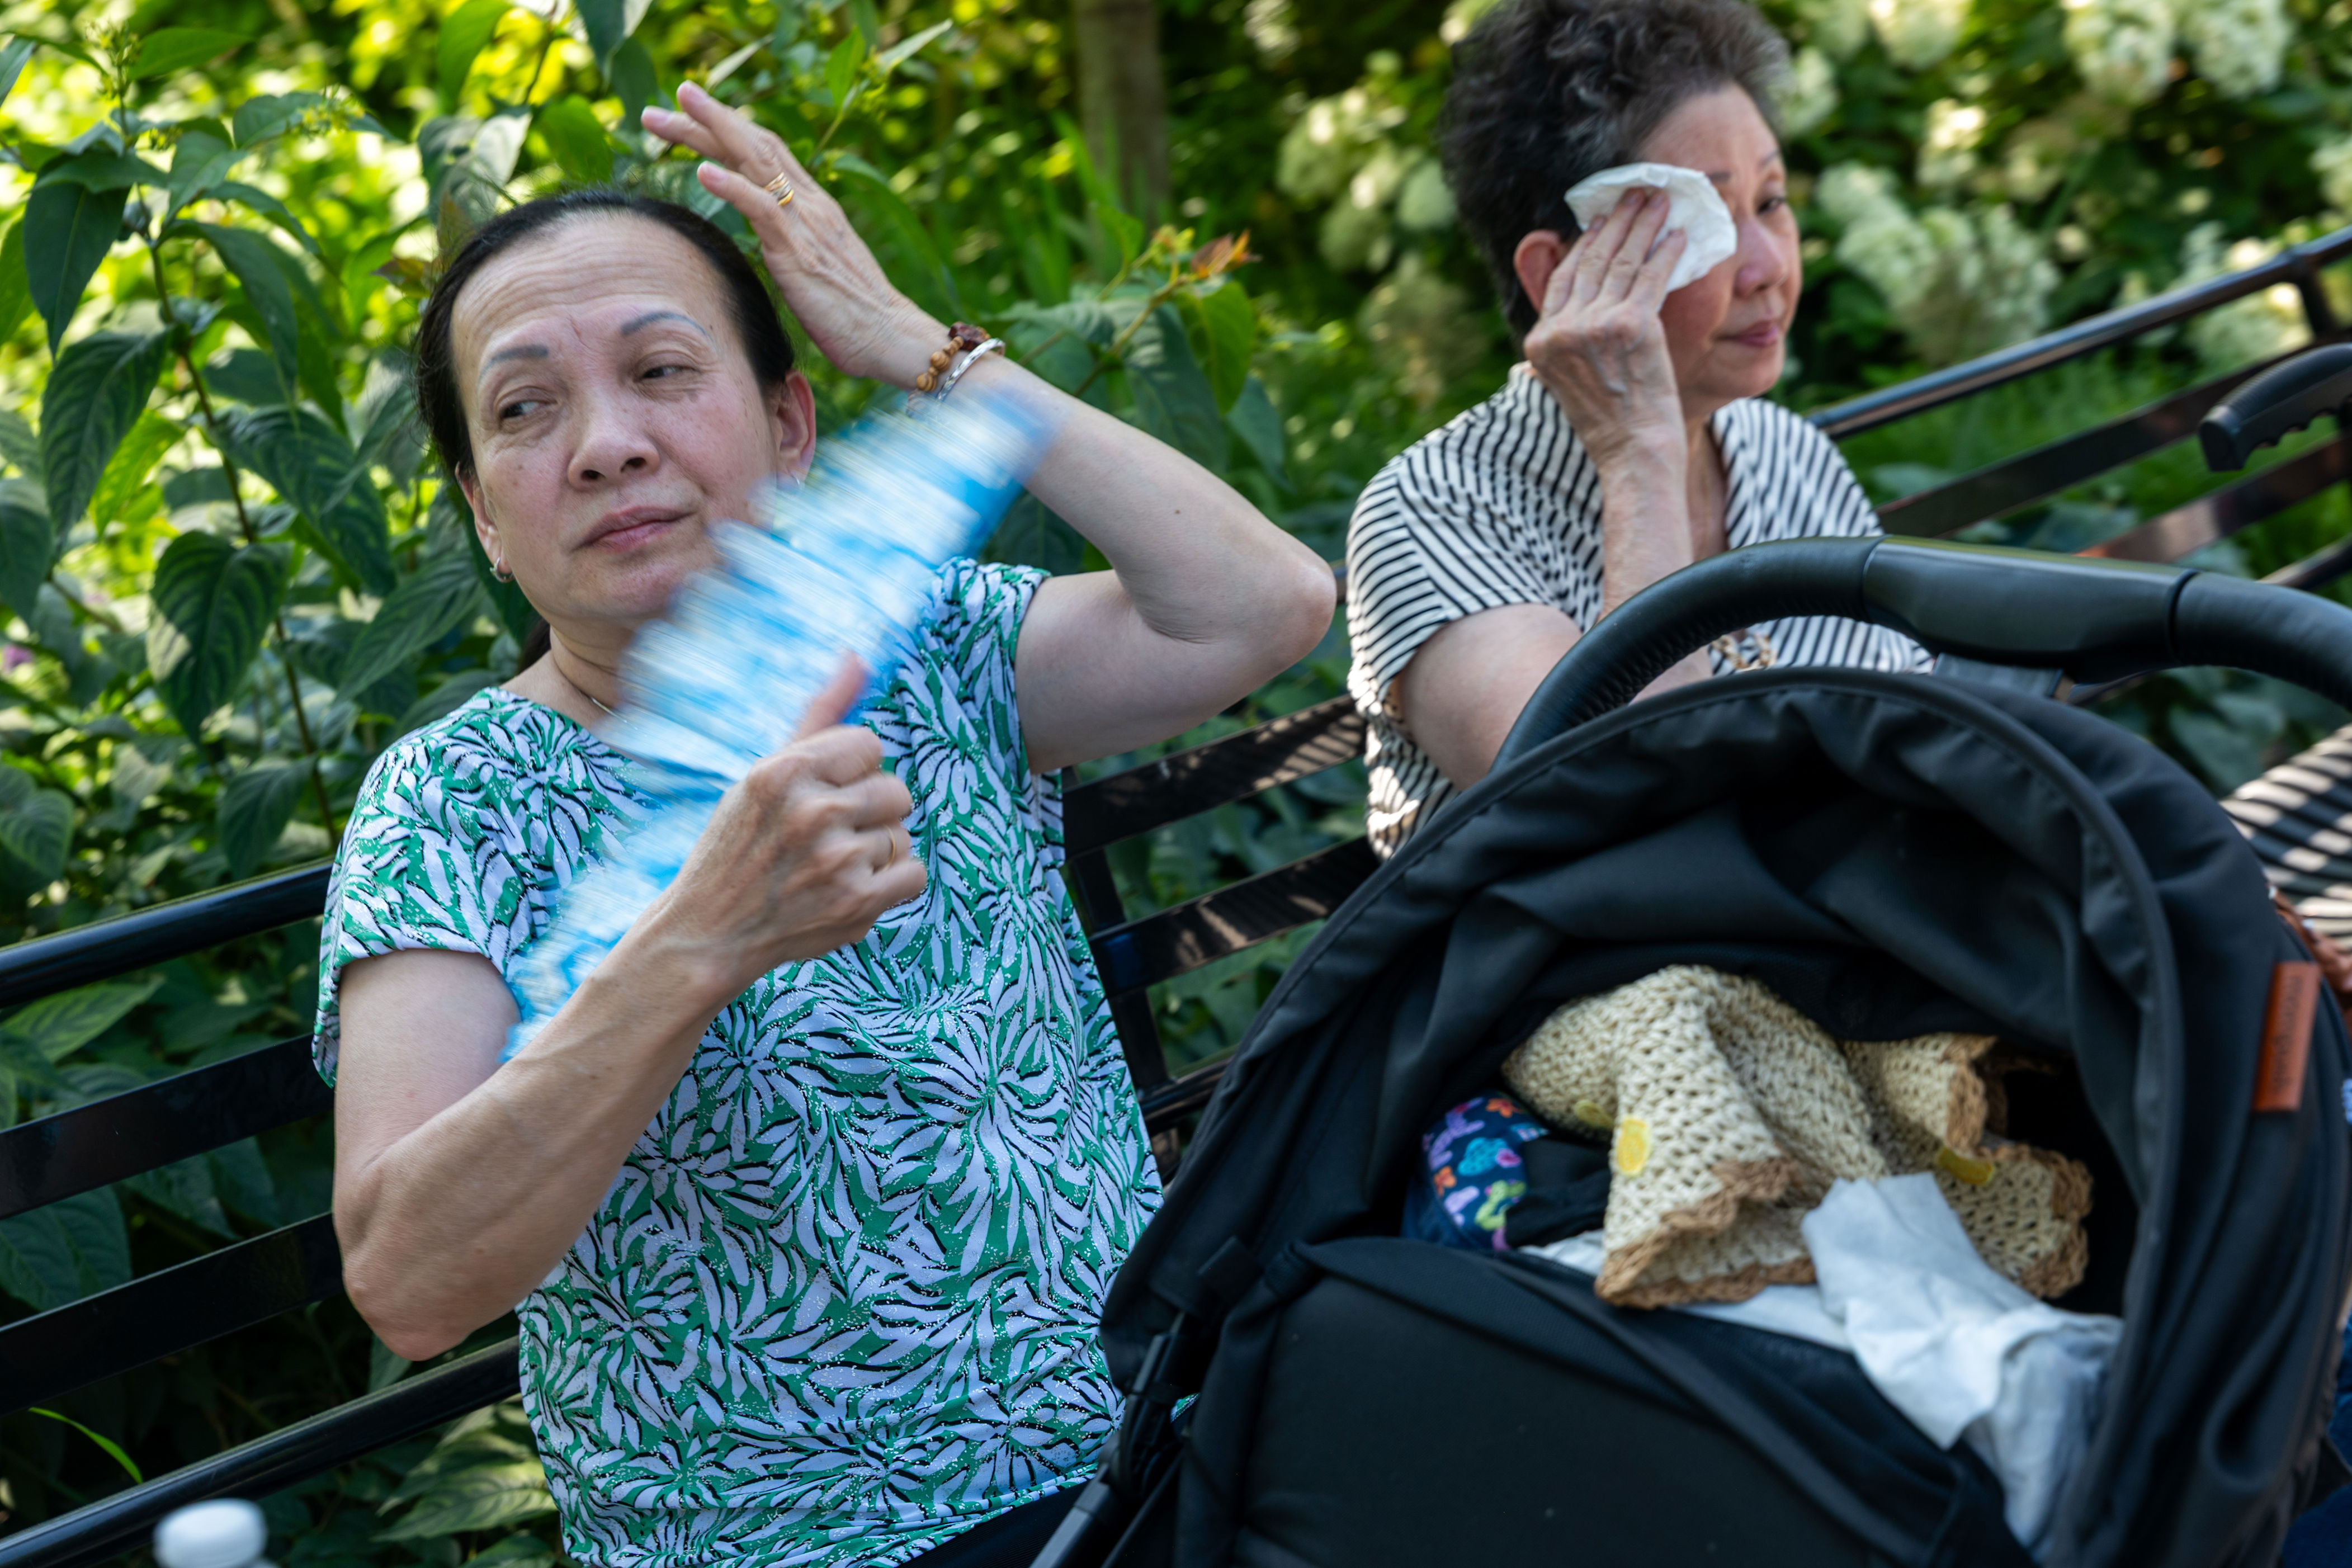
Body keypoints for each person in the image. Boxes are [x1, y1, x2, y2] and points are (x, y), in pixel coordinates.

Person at [316, 83, 1335, 1568]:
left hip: (1145, 1458)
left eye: (663, 370)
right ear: (485, 512)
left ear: (790, 425)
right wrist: (692, 942)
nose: (603, 444)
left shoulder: (923, 650)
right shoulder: (455, 797)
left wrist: (922, 349)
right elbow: (408, 1277)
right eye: (526, 408)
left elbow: (1264, 605)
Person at [1344, 0, 1924, 855]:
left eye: (1771, 201)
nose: (1766, 268)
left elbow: (1903, 731)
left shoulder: (1780, 451)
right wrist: (1636, 452)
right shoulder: (1432, 513)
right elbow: (1621, 811)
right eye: (1708, 225)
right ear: (1559, 276)